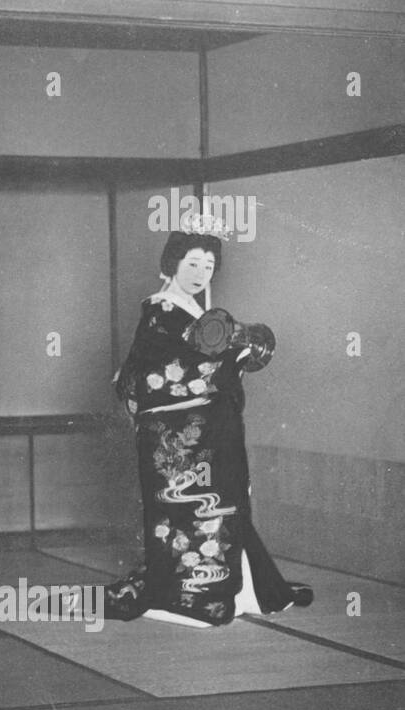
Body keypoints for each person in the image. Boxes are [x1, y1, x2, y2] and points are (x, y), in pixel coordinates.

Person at [106, 221, 312, 627]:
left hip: (209, 433)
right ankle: (195, 593)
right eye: (193, 263)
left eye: (209, 266)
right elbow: (151, 376)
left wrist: (233, 357)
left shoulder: (195, 313)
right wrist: (224, 362)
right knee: (194, 515)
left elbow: (207, 361)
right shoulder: (160, 312)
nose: (201, 273)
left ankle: (245, 589)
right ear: (172, 264)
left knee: (227, 505)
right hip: (179, 444)